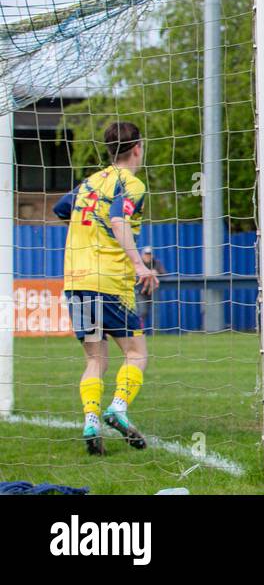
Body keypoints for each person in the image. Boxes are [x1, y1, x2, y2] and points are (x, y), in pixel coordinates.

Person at [52, 121, 159, 455]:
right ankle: (118, 408)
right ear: (138, 147)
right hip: (109, 281)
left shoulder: (89, 182)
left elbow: (61, 209)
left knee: (96, 359)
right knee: (136, 353)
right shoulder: (132, 183)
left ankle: (91, 421)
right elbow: (118, 219)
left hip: (76, 281)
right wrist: (140, 265)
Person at [136, 246, 165, 333]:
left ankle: (155, 332)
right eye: (146, 254)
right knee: (142, 311)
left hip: (153, 291)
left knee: (154, 311)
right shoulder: (138, 263)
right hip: (140, 291)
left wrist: (156, 272)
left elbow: (164, 273)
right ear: (142, 255)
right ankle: (138, 331)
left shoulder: (156, 263)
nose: (147, 256)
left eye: (149, 254)